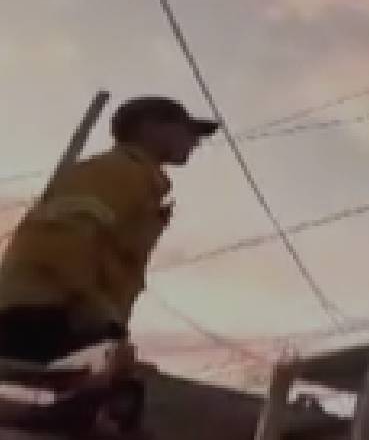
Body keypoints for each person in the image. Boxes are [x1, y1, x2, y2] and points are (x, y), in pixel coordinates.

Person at [0, 96, 218, 367]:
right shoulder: (119, 171)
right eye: (188, 131)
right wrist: (96, 311)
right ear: (150, 127)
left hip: (59, 313)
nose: (195, 142)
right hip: (46, 315)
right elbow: (63, 237)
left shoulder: (134, 177)